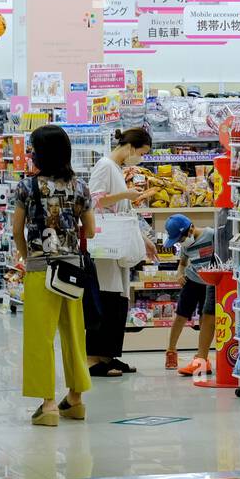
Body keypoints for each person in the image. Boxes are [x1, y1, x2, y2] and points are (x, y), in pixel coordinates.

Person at [10, 124, 96, 426]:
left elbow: (16, 229)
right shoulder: (80, 187)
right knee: (74, 334)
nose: (30, 153)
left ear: (42, 154)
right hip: (71, 269)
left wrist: (25, 254)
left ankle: (48, 404)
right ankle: (76, 399)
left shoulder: (25, 187)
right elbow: (92, 230)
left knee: (40, 337)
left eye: (33, 148)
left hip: (39, 269)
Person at [86, 127, 159, 377]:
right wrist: (126, 194)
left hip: (118, 243)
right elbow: (93, 201)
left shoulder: (115, 168)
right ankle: (93, 360)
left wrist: (143, 238)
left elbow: (124, 211)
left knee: (117, 302)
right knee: (106, 301)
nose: (141, 158)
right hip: (105, 245)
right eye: (142, 153)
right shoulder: (105, 166)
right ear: (130, 148)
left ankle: (108, 356)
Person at [163, 214, 218, 376]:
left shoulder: (211, 235)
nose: (181, 243)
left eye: (180, 239)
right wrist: (179, 274)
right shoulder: (186, 246)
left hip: (209, 283)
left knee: (205, 319)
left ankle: (202, 356)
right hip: (192, 281)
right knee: (180, 316)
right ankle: (171, 350)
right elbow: (182, 264)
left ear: (191, 228)